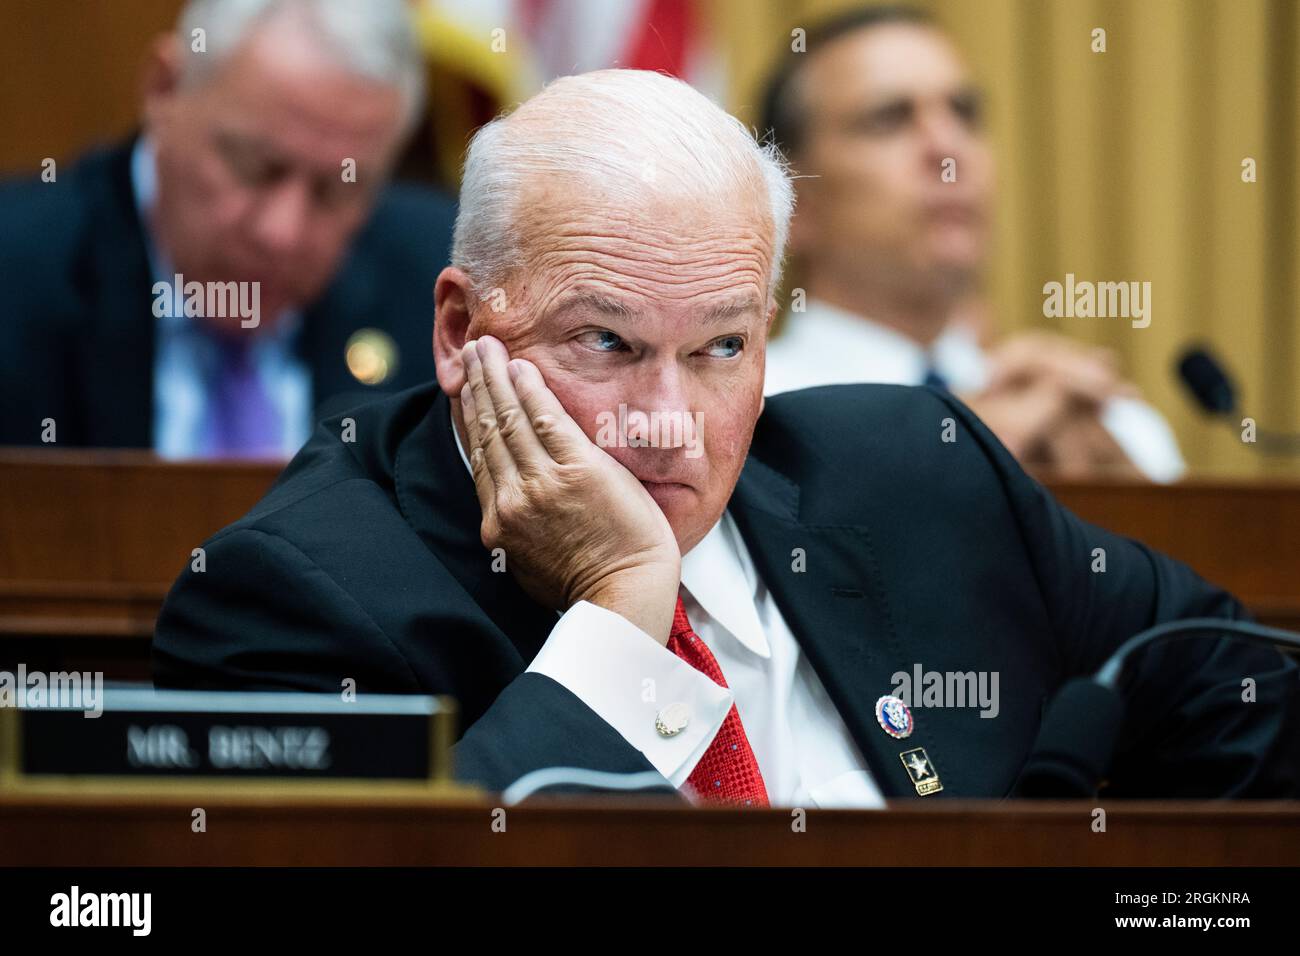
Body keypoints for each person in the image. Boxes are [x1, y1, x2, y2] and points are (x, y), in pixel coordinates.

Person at [153, 69, 1295, 805]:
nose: (669, 422)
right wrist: (620, 616)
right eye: (605, 340)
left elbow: (1251, 706)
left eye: (721, 348)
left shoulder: (921, 477)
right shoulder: (295, 599)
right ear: (460, 331)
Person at [0, 0, 455, 458]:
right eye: (255, 168)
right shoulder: (16, 274)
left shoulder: (441, 292)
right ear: (165, 89)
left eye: (336, 190)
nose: (281, 234)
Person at [760, 5, 1185, 482]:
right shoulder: (749, 424)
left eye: (964, 113)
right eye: (889, 119)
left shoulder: (1109, 426)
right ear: (794, 200)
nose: (948, 148)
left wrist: (1120, 512)